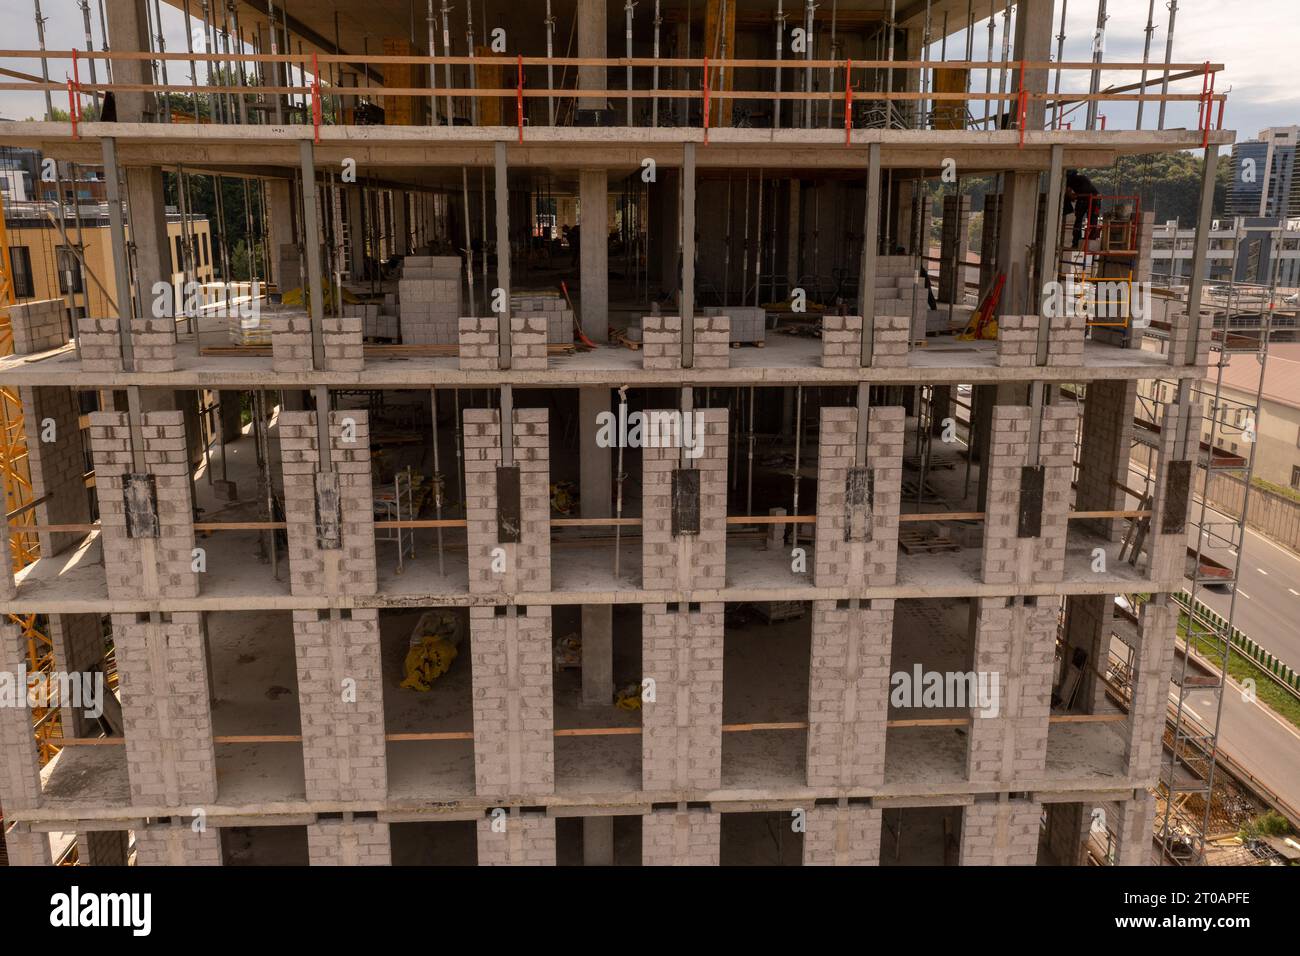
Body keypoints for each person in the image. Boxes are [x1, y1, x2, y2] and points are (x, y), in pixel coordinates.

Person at [1063, 170, 1100, 248]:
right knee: (1080, 220)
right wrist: (1071, 196)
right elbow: (1069, 192)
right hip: (1084, 199)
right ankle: (1077, 241)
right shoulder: (1073, 180)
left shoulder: (1080, 179)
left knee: (1091, 220)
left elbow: (1084, 192)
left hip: (1093, 199)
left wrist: (1074, 196)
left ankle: (1088, 239)